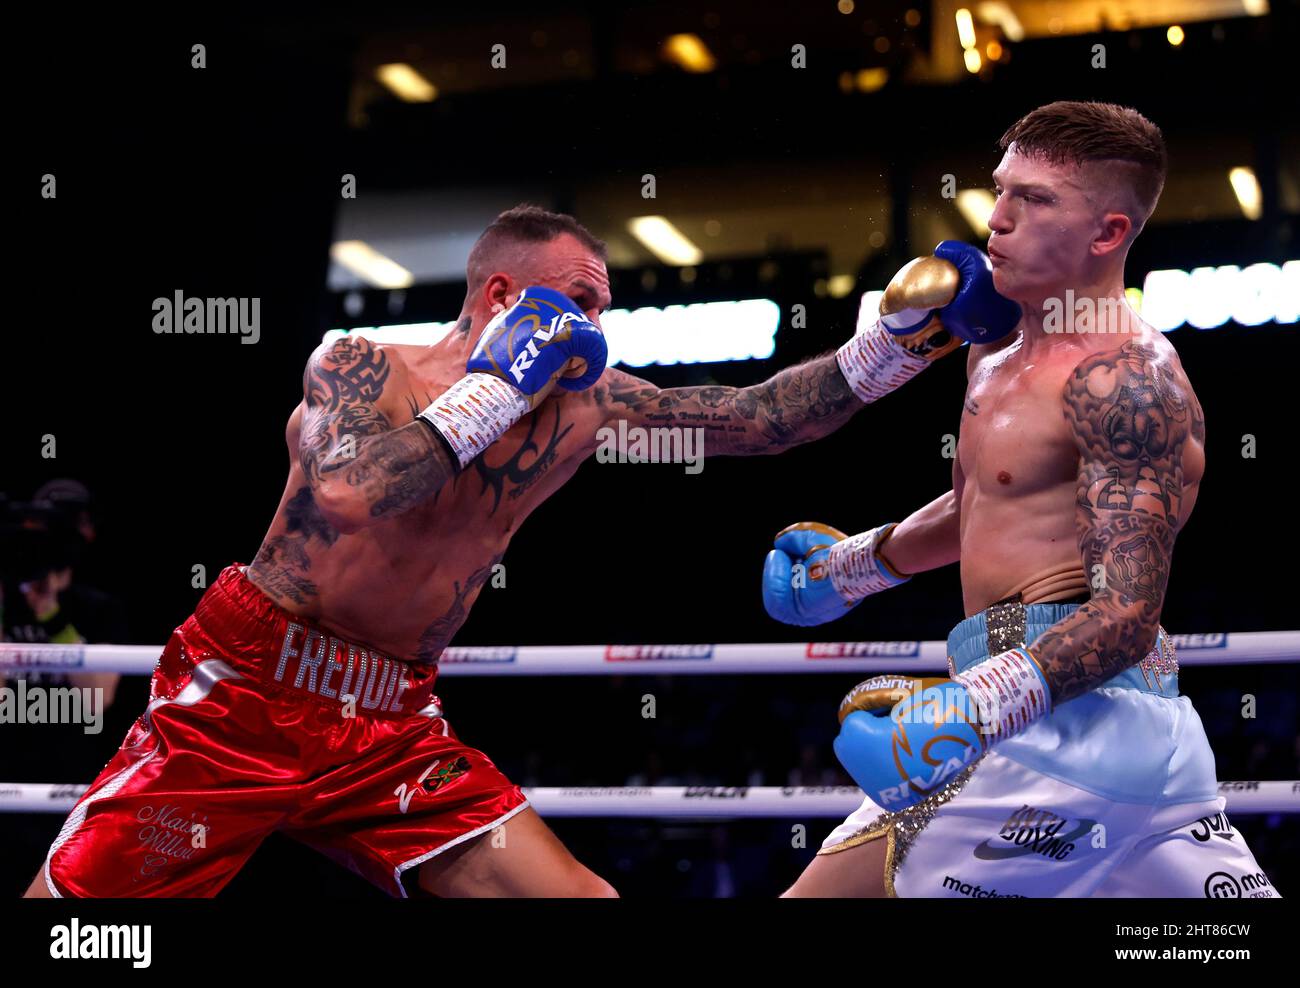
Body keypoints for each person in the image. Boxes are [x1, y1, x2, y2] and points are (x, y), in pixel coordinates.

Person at [29, 204, 1011, 898]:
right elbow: (349, 490)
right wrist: (497, 384)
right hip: (246, 689)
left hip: (389, 718)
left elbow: (760, 419)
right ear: (501, 293)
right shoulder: (366, 364)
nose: (595, 328)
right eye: (578, 300)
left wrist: (887, 343)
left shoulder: (586, 405)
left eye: (604, 307)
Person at [770, 101, 1281, 898]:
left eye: (1034, 200)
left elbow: (1125, 613)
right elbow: (976, 509)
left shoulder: (1126, 380)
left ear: (1108, 234)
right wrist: (851, 569)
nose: (997, 219)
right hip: (1091, 728)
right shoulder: (994, 352)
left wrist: (970, 706)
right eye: (1001, 190)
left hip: (1070, 722)